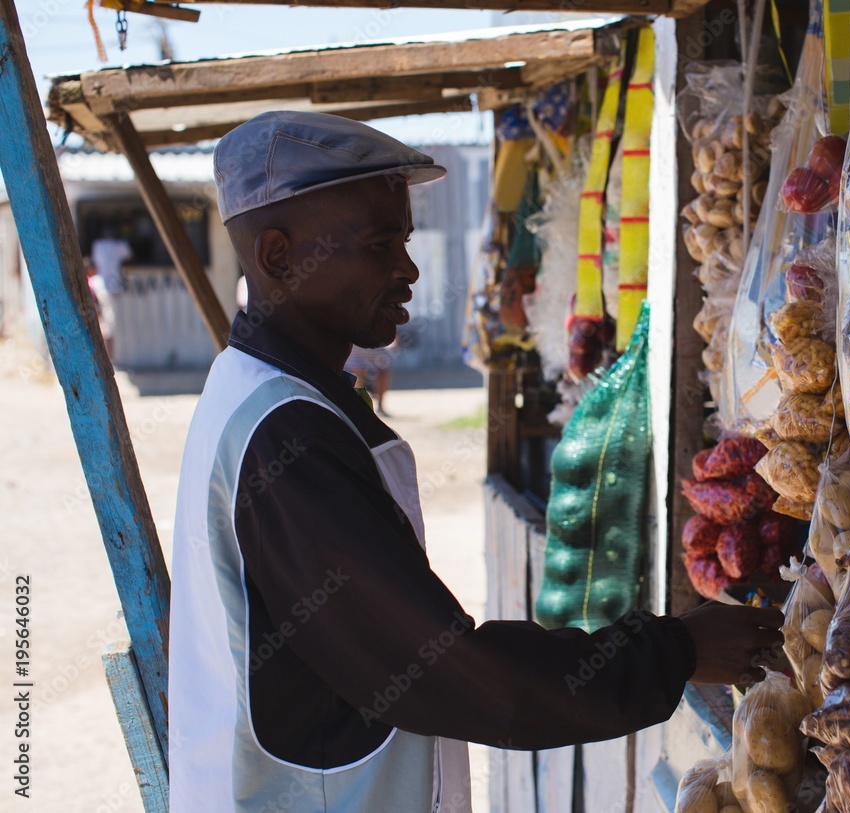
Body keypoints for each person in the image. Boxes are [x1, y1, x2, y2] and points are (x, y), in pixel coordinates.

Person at [169, 111, 783, 813]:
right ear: (279, 257)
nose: (408, 269)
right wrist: (676, 650)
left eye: (403, 238)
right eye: (379, 244)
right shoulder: (284, 435)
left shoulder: (257, 390)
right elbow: (452, 673)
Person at [345, 339, 398, 416]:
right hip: (358, 349)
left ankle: (380, 406)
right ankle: (358, 405)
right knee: (358, 377)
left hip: (380, 349)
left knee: (383, 374)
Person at [83, 256, 115, 359]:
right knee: (105, 336)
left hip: (95, 314)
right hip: (98, 314)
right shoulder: (96, 281)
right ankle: (107, 359)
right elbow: (100, 299)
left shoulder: (88, 281)